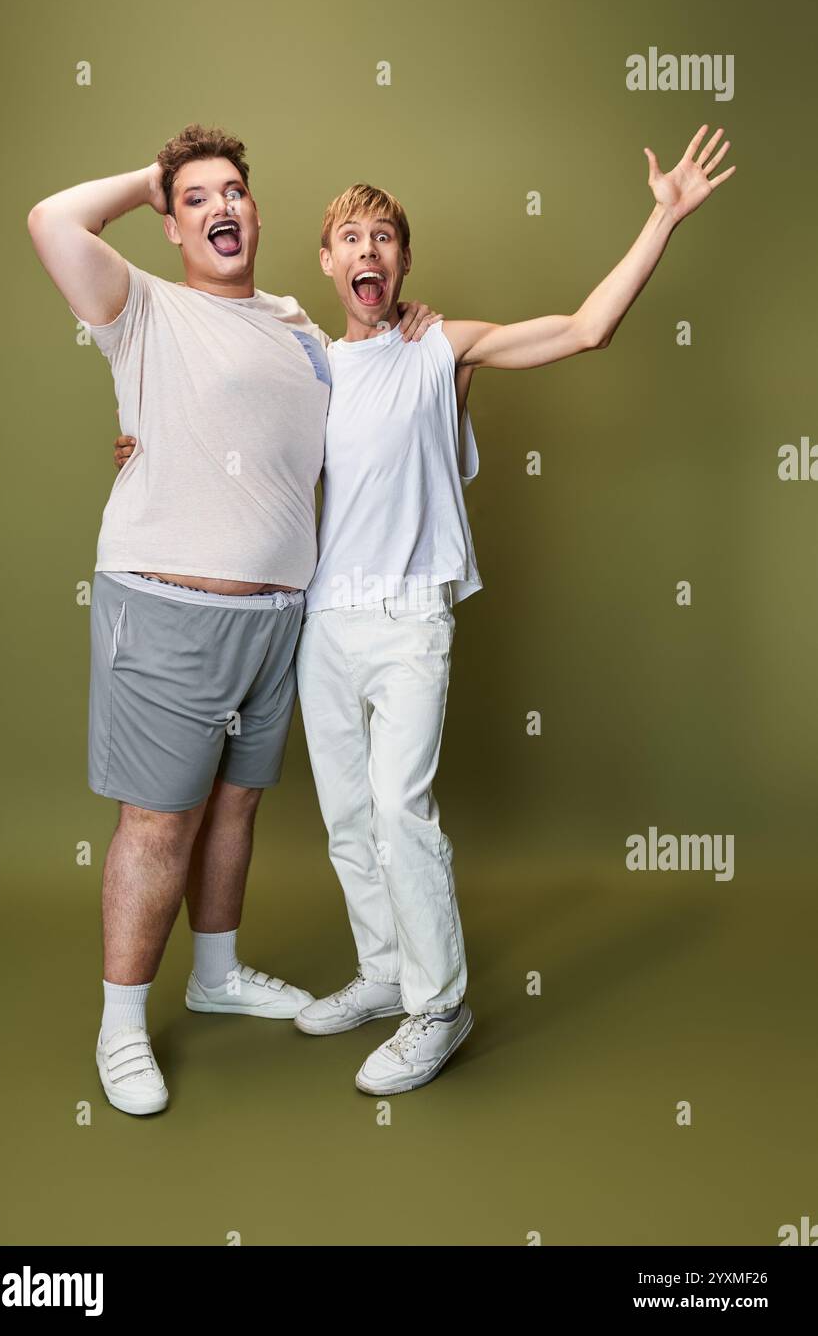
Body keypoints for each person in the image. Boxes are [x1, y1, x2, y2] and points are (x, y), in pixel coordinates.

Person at [115, 123, 736, 1097]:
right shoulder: (309, 364)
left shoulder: (438, 347)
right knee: (349, 817)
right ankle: (381, 970)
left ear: (401, 259)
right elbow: (229, 437)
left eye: (383, 238)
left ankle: (436, 1006)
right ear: (325, 262)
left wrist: (660, 218)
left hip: (408, 617)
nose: (367, 252)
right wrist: (142, 449)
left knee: (403, 809)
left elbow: (583, 328)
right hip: (324, 618)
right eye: (349, 239)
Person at [27, 123, 439, 1117]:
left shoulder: (297, 322)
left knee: (235, 806)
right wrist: (152, 178)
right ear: (172, 223)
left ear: (257, 213)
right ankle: (121, 1024)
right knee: (157, 820)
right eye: (197, 198)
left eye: (234, 193)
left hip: (278, 618)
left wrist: (402, 331)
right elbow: (49, 220)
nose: (221, 208)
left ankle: (215, 973)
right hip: (167, 606)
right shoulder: (141, 306)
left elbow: (352, 417)